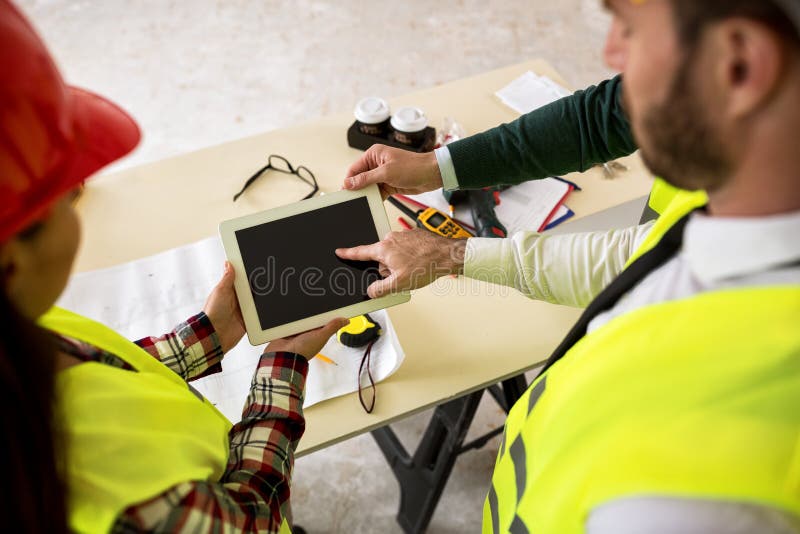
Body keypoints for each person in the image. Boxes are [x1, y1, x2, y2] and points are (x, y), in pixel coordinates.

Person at [338, 0, 800, 532]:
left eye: (630, 28)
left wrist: (453, 251)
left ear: (740, 65)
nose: (610, 54)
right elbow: (637, 239)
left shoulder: (690, 500)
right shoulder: (750, 201)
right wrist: (444, 201)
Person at [0, 1, 345, 532]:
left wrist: (210, 334)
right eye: (63, 197)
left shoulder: (16, 327)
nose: (78, 196)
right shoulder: (120, 489)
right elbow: (249, 519)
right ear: (11, 261)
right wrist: (283, 364)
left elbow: (101, 370)